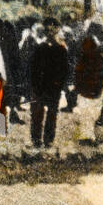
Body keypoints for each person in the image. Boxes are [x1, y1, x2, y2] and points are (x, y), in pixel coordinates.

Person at [29, 17, 68, 148]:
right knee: (37, 114)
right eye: (48, 30)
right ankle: (36, 140)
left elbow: (65, 70)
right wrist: (34, 85)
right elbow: (33, 68)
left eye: (53, 30)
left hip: (54, 86)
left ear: (57, 31)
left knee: (52, 114)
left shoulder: (61, 49)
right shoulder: (39, 47)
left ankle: (49, 140)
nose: (50, 32)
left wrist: (61, 85)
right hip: (40, 86)